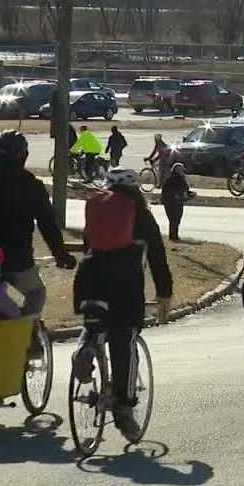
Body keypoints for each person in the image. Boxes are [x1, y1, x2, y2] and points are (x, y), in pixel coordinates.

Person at [72, 167, 172, 442]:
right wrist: (164, 293)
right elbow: (158, 259)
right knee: (124, 338)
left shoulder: (97, 207)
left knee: (93, 323)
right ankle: (124, 408)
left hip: (89, 277)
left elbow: (87, 247)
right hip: (124, 285)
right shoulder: (142, 215)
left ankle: (83, 351)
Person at [0, 130, 76, 318]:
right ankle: (26, 333)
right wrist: (60, 254)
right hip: (18, 260)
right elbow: (48, 225)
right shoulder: (31, 185)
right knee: (36, 293)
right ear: (23, 154)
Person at [161, 163, 191, 241]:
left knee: (176, 220)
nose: (181, 171)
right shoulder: (170, 179)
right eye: (179, 169)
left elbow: (185, 190)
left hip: (179, 202)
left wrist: (190, 194)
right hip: (170, 203)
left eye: (182, 169)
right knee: (173, 219)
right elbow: (165, 191)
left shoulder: (182, 179)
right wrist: (174, 196)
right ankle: (173, 236)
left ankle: (174, 235)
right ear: (175, 170)